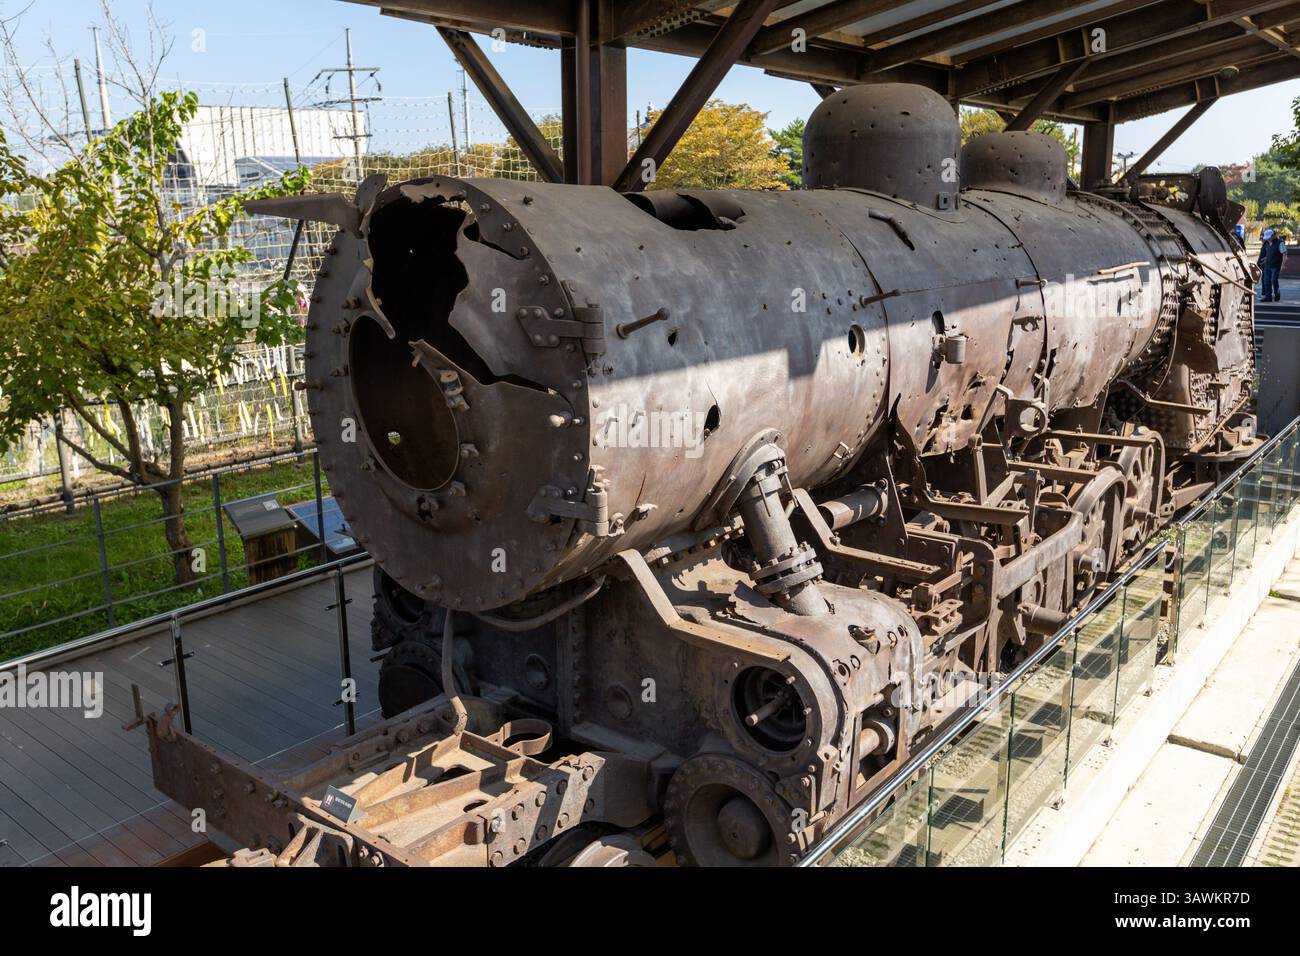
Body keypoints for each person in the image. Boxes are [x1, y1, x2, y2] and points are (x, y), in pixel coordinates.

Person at [1259, 228, 1288, 302]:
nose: (1267, 239)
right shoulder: (1268, 244)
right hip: (1267, 266)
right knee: (1266, 281)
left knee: (1274, 280)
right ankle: (1268, 297)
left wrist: (1283, 265)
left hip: (1276, 266)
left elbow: (1284, 254)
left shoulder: (1280, 243)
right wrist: (1264, 259)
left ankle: (1277, 295)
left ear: (1273, 236)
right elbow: (1269, 254)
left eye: (1269, 238)